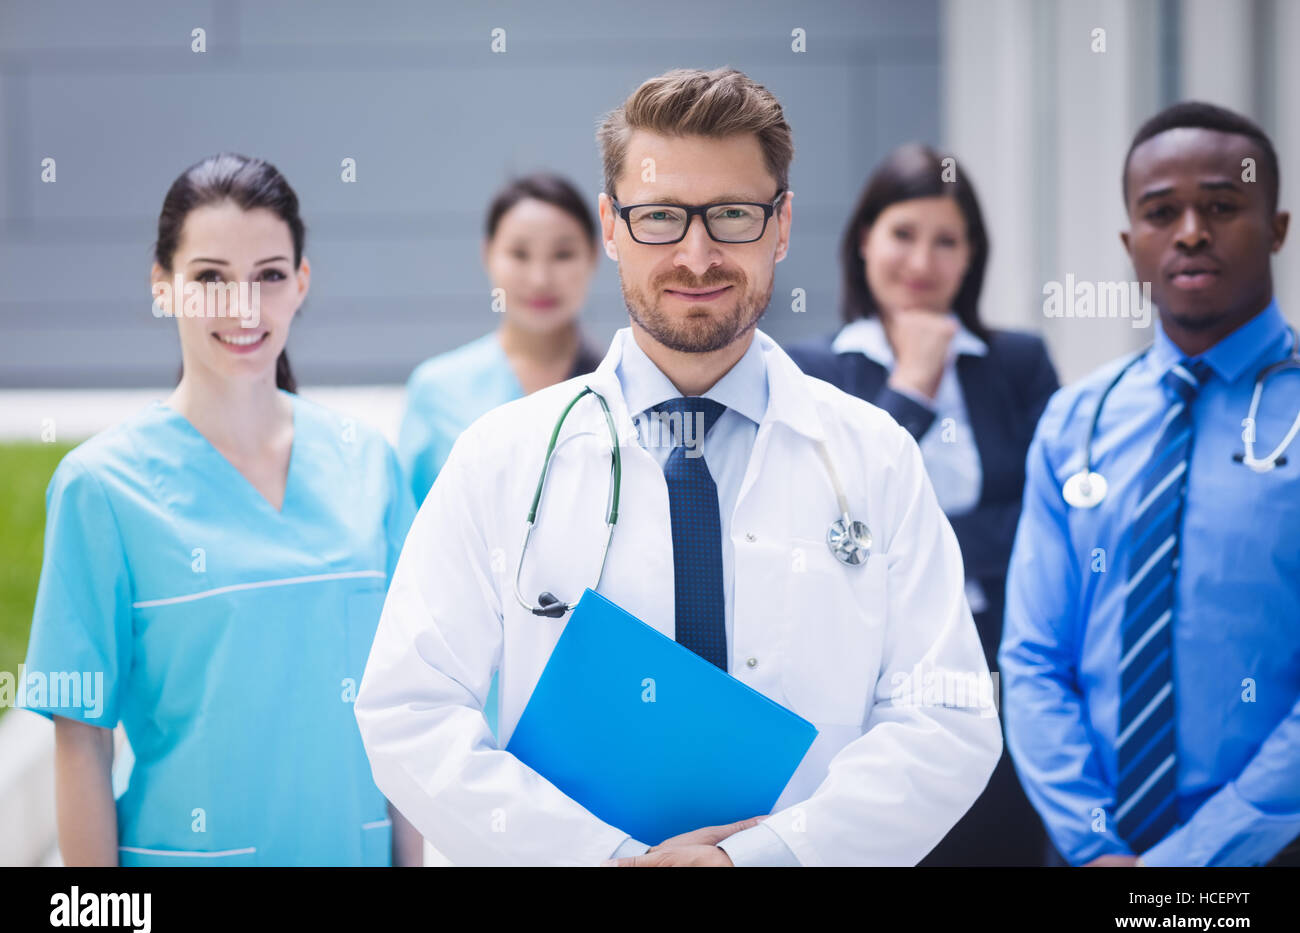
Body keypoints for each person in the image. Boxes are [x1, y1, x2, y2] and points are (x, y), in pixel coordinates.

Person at [355, 67, 1000, 866]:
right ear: (612, 227)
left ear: (782, 224)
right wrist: (612, 859)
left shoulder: (874, 459)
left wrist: (765, 857)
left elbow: (948, 713)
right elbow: (409, 709)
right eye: (661, 217)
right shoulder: (502, 459)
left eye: (732, 215)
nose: (698, 256)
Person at [21, 153, 422, 866]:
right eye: (210, 278)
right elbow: (80, 736)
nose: (243, 308)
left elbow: (404, 703)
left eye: (269, 276)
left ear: (301, 283)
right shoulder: (102, 487)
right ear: (163, 288)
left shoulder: (370, 465)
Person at [1000, 102, 1300, 867]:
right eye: (1162, 212)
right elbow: (1034, 661)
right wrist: (1095, 845)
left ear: (1277, 228)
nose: (1191, 231)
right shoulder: (1076, 421)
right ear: (1133, 245)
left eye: (1223, 206)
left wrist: (1186, 865)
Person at [785, 144, 1057, 865]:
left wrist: (906, 549)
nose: (922, 260)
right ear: (865, 241)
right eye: (904, 234)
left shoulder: (1019, 364)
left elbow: (1049, 526)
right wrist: (912, 383)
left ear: (972, 257)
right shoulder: (813, 370)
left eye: (947, 241)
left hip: (1003, 662)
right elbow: (828, 524)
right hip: (864, 672)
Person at [397, 173, 604, 743]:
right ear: (490, 257)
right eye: (519, 254)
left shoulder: (621, 388)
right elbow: (411, 551)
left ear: (596, 254)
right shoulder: (437, 390)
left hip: (595, 676)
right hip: (469, 672)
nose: (541, 277)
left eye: (563, 254)